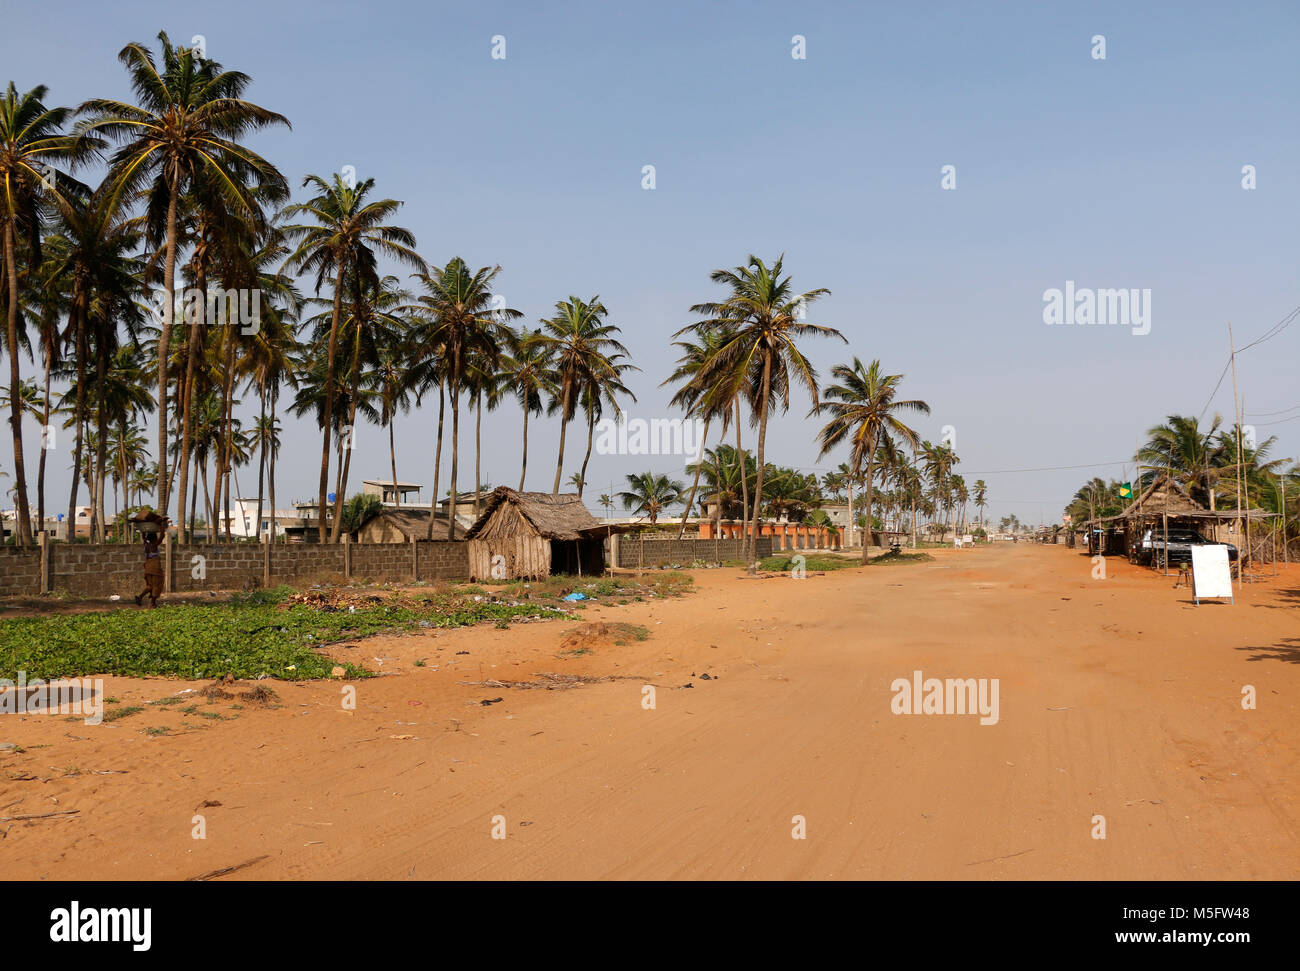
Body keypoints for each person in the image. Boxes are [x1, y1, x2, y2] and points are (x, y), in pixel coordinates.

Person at [135, 530, 164, 607]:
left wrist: (144, 530)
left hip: (148, 567)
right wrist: (162, 527)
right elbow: (162, 537)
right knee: (157, 585)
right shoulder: (154, 545)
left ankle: (140, 597)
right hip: (155, 568)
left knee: (150, 585)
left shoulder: (146, 545)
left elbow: (143, 537)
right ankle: (152, 603)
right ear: (154, 538)